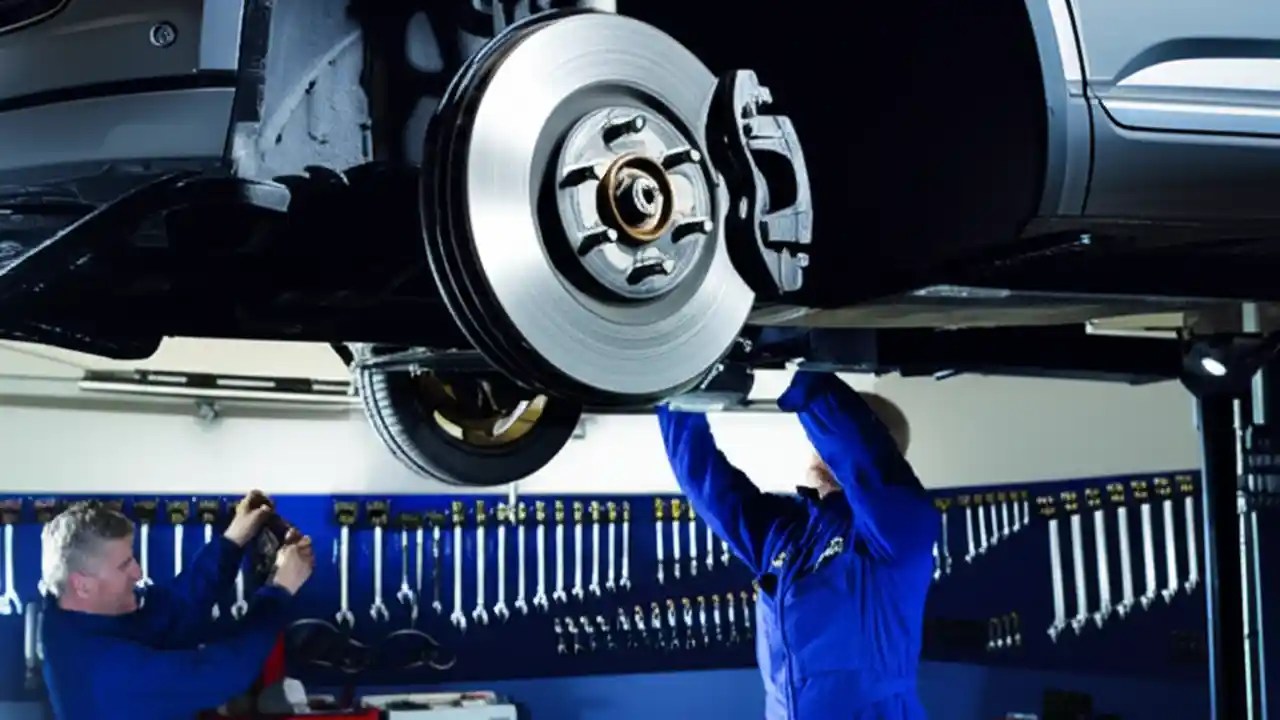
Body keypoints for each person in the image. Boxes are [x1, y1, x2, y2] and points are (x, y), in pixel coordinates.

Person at [657, 371, 937, 720]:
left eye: (829, 444)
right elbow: (706, 485)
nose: (817, 454)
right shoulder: (786, 534)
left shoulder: (898, 535)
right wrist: (676, 397)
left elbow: (864, 459)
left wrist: (809, 375)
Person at [40, 491, 315, 720]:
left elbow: (177, 605)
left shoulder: (78, 614)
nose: (138, 572)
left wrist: (234, 539)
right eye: (124, 565)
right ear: (83, 585)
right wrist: (280, 591)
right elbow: (222, 674)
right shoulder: (107, 673)